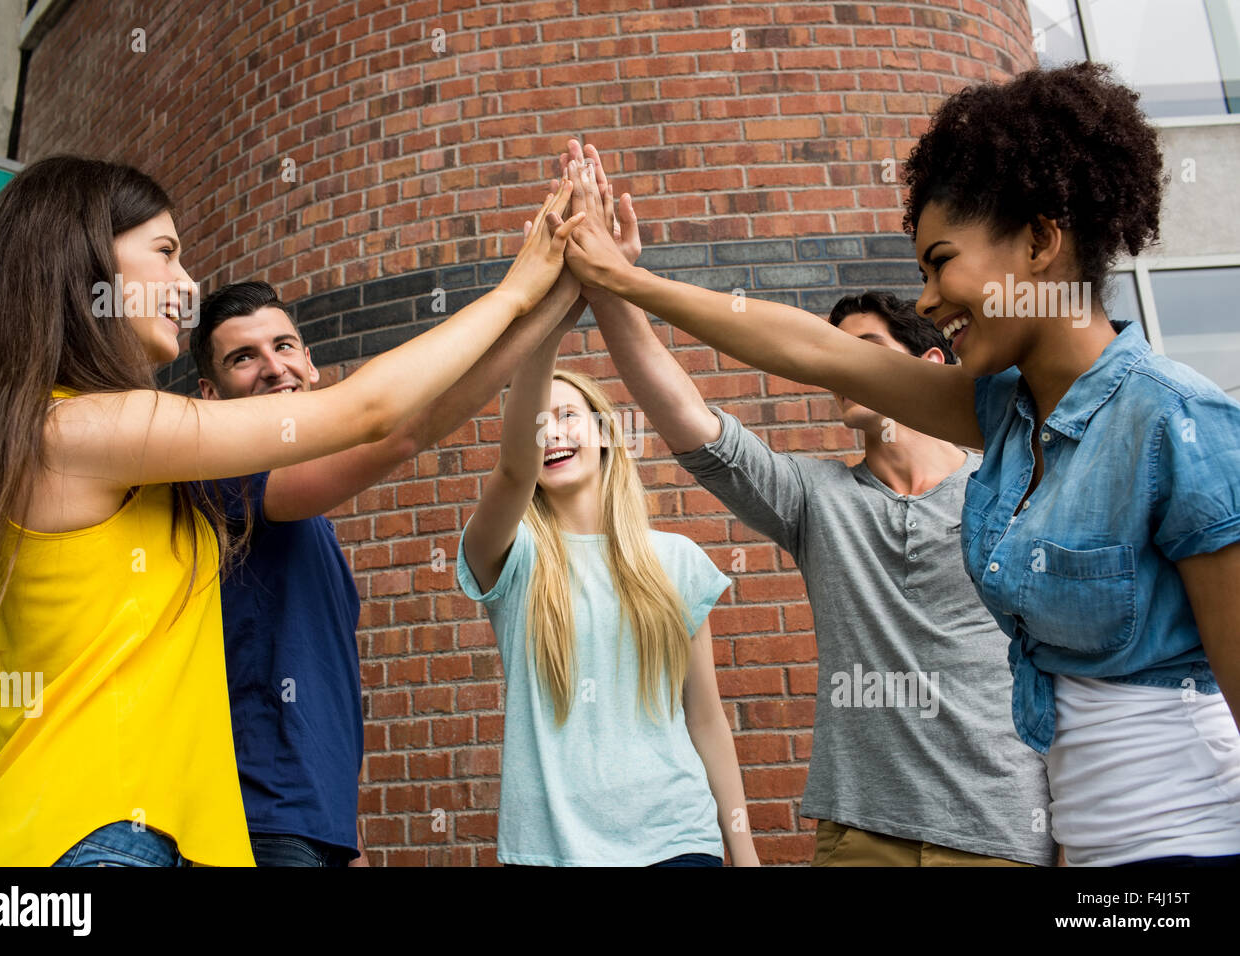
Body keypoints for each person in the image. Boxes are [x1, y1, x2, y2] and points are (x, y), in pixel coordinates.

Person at [556, 64, 1240, 866]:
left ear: (1042, 241)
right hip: (1087, 849)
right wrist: (620, 281)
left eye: (940, 261)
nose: (925, 300)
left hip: (1186, 841)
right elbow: (811, 350)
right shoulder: (1009, 418)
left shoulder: (1178, 425)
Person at [0, 156, 582, 866]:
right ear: (84, 260)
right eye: (166, 253)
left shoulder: (117, 452)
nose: (187, 288)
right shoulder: (77, 430)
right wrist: (516, 289)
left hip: (136, 840)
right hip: (88, 839)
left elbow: (408, 426)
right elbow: (373, 414)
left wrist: (561, 295)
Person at [188, 271, 589, 867]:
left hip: (313, 828)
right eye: (243, 357)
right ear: (210, 394)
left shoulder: (305, 514)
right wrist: (541, 299)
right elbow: (406, 432)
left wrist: (344, 838)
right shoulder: (220, 473)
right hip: (259, 827)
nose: (273, 367)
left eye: (284, 346)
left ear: (311, 364)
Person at [454, 242, 759, 865]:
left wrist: (743, 850)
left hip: (678, 841)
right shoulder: (509, 558)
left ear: (604, 436)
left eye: (569, 416)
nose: (553, 432)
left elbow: (705, 719)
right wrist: (552, 313)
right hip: (550, 851)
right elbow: (513, 472)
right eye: (540, 419)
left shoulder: (675, 561)